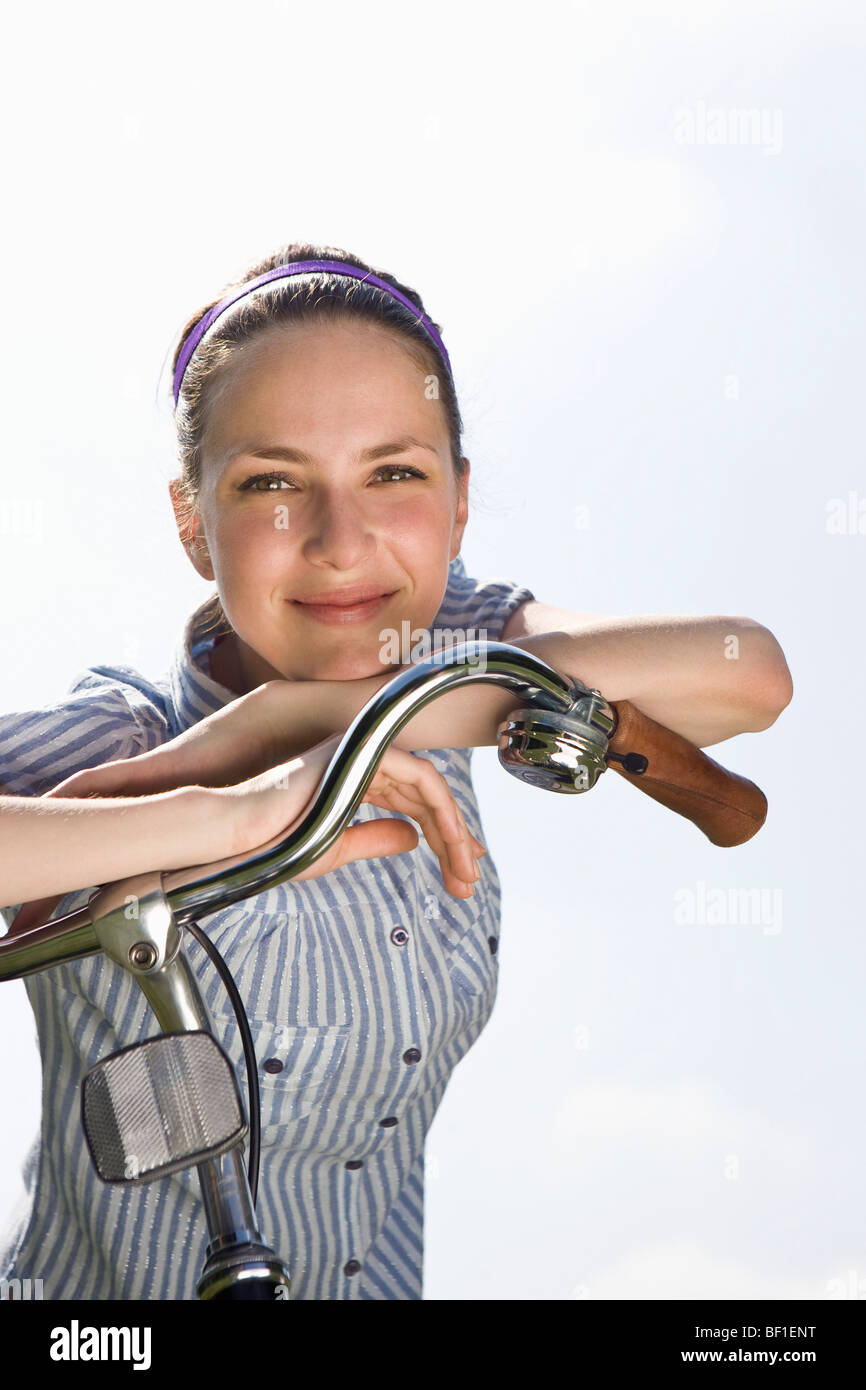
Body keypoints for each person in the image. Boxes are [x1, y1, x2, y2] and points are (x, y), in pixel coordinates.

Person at [0, 243, 793, 1301]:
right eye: (272, 481)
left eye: (395, 473)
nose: (340, 541)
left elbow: (748, 676)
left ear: (459, 504)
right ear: (193, 523)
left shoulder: (449, 633)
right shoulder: (127, 741)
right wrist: (232, 804)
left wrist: (319, 713)